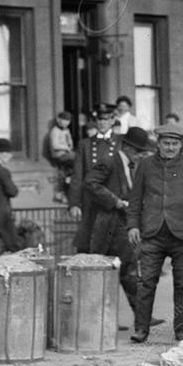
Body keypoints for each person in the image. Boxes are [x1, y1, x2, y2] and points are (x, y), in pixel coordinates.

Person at [127, 123, 183, 343]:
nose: (170, 147)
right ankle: (141, 329)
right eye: (166, 143)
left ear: (181, 144)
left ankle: (181, 329)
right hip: (152, 233)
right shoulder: (145, 166)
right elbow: (135, 199)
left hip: (182, 235)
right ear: (159, 143)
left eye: (175, 143)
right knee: (146, 282)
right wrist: (133, 225)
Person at [85, 126, 156, 315]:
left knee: (128, 268)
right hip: (107, 225)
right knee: (115, 270)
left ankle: (141, 316)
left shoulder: (130, 165)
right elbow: (91, 183)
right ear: (130, 149)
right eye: (140, 153)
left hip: (122, 225)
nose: (142, 157)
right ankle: (104, 318)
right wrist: (115, 201)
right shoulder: (109, 161)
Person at [68, 105, 119, 254]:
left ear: (112, 120)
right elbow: (78, 175)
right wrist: (74, 203)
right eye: (99, 119)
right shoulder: (86, 144)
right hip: (91, 203)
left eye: (106, 119)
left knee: (114, 245)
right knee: (89, 244)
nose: (102, 123)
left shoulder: (120, 142)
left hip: (114, 200)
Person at [44, 111, 75, 204]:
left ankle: (69, 180)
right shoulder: (55, 131)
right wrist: (66, 147)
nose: (66, 123)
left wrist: (70, 145)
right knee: (78, 161)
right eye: (64, 120)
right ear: (59, 120)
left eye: (68, 121)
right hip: (59, 155)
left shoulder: (66, 130)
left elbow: (70, 143)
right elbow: (55, 145)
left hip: (67, 154)